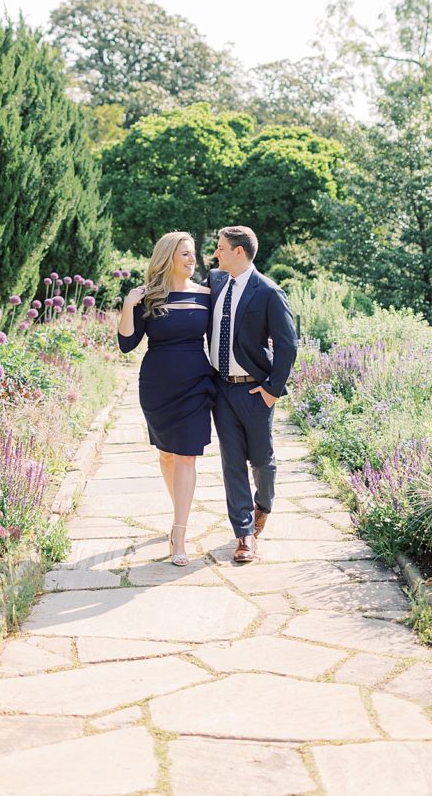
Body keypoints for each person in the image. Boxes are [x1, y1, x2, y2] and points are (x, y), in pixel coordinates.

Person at [118, 232, 215, 566]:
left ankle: (179, 533)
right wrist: (129, 304)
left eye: (193, 254)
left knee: (187, 456)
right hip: (158, 385)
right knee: (167, 455)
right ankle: (180, 515)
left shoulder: (206, 295)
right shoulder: (150, 298)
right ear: (168, 257)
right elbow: (127, 344)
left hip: (197, 383)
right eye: (185, 254)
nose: (192, 259)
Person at [207, 225, 298, 564]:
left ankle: (264, 506)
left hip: (255, 390)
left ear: (239, 252)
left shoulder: (268, 292)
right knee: (232, 462)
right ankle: (244, 534)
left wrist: (272, 390)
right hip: (221, 388)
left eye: (221, 248)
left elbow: (288, 346)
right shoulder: (215, 283)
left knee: (262, 461)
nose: (216, 253)